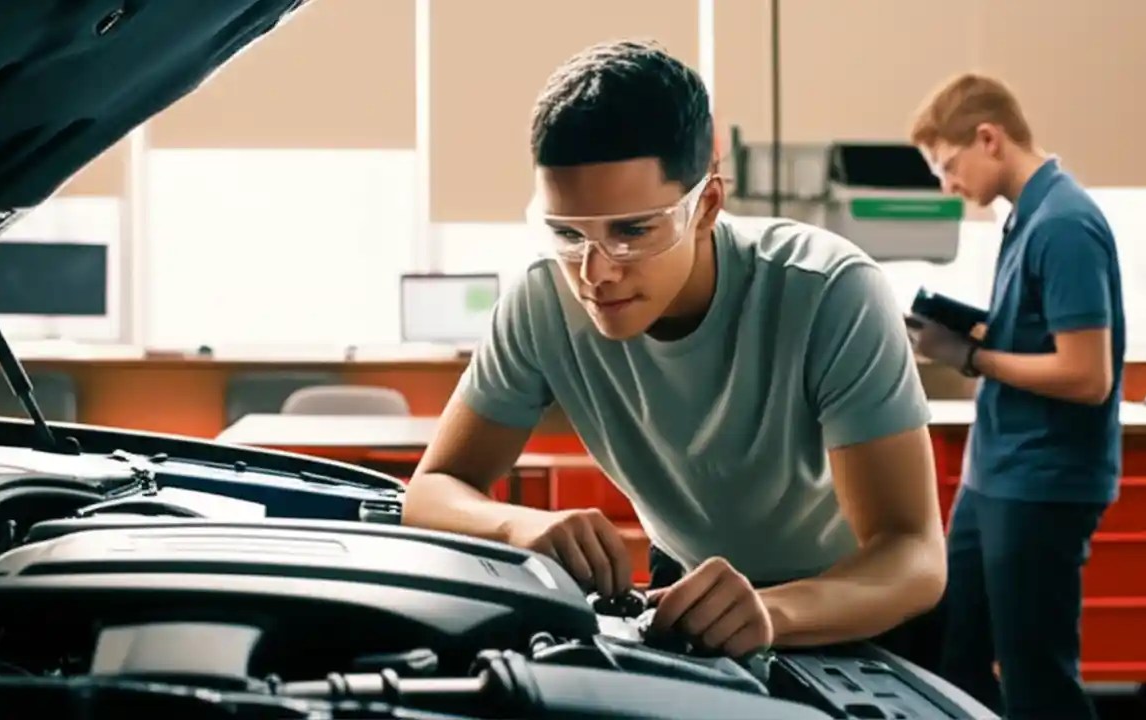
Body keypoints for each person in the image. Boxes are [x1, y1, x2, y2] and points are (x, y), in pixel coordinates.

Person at [401, 39, 946, 661]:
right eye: (568, 234)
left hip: (850, 609)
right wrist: (518, 526)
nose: (595, 273)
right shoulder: (541, 300)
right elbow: (431, 490)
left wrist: (773, 610)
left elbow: (913, 555)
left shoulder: (831, 292)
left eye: (633, 231)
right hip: (688, 594)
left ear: (706, 206)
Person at [906, 73, 1125, 719]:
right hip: (996, 473)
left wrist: (971, 357)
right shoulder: (1025, 220)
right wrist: (971, 331)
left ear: (988, 137)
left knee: (1035, 675)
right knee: (952, 654)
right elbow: (1039, 334)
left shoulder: (1064, 224)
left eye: (948, 166)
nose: (947, 186)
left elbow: (1088, 376)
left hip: (1044, 479)